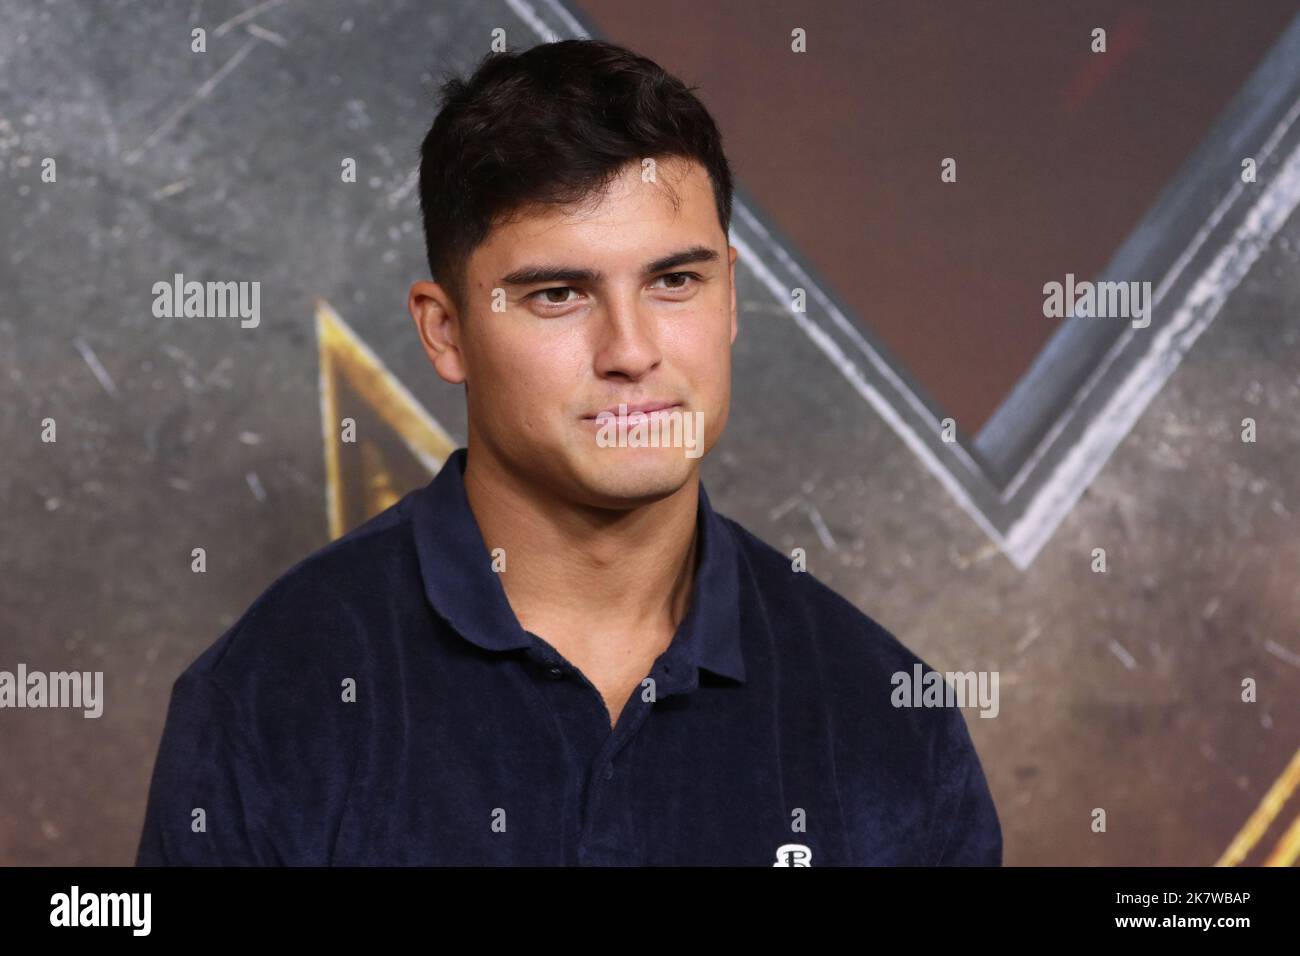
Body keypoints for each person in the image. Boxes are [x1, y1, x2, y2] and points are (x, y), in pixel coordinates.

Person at [135, 38, 1001, 866]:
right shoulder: (270, 701)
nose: (630, 349)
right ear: (447, 333)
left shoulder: (887, 715)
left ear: (732, 297)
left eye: (674, 281)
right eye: (557, 294)